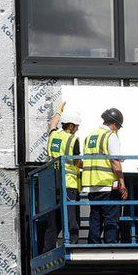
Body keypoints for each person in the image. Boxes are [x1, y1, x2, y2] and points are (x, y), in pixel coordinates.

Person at [81, 108, 127, 244]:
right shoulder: (110, 136)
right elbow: (115, 161)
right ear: (114, 124)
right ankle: (110, 246)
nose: (117, 129)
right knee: (111, 219)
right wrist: (122, 183)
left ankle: (93, 245)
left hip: (92, 185)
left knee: (95, 218)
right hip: (107, 184)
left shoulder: (89, 137)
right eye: (118, 126)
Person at [41, 104, 83, 250]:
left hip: (52, 184)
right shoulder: (73, 139)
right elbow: (77, 161)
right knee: (72, 217)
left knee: (53, 220)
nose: (77, 129)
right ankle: (72, 243)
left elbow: (52, 124)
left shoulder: (54, 135)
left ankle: (48, 247)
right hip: (68, 183)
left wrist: (59, 111)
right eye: (76, 126)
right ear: (71, 126)